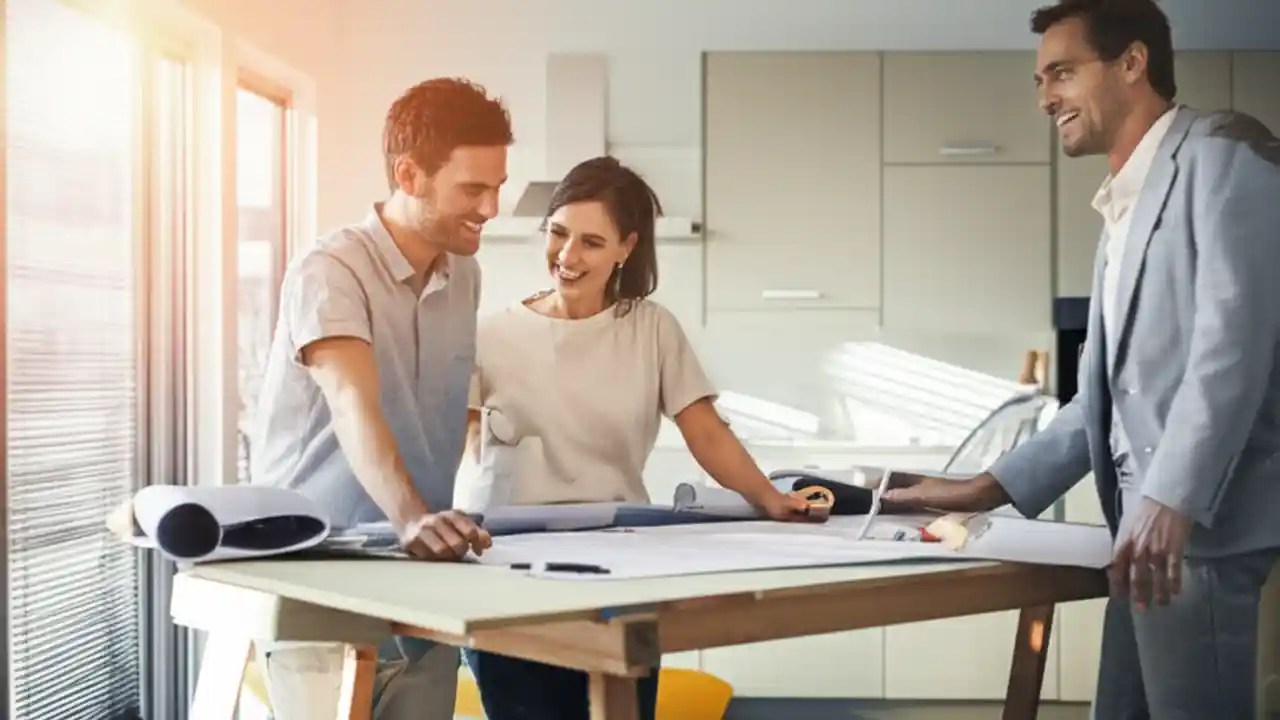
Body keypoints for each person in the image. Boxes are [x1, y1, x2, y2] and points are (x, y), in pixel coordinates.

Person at [881, 1, 1280, 717]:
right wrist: (985, 487)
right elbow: (1097, 399)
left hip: (1197, 528)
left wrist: (1172, 497)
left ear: (1133, 63)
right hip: (1139, 528)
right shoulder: (1120, 213)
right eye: (1039, 80)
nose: (1044, 98)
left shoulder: (1222, 153)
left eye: (1061, 73)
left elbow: (1235, 343)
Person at [458, 156, 816, 719]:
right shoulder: (490, 334)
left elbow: (706, 433)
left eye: (591, 243)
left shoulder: (651, 329)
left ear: (626, 247)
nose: (568, 257)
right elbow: (454, 442)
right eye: (557, 234)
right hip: (509, 570)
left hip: (620, 569)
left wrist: (770, 498)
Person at [249, 77, 513, 719]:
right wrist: (412, 519)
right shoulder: (331, 270)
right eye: (473, 189)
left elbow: (441, 411)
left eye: (498, 186)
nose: (492, 207)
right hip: (324, 593)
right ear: (410, 174)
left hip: (420, 594)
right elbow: (352, 405)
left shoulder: (464, 273)